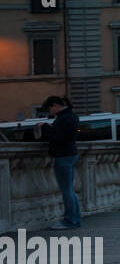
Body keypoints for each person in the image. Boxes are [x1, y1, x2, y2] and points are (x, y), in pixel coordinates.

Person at [37, 96, 80, 229]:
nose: (49, 111)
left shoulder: (63, 118)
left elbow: (57, 137)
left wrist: (44, 127)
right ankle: (75, 219)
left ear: (55, 105)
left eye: (49, 108)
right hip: (70, 154)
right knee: (70, 190)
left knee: (66, 190)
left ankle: (69, 220)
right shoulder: (71, 116)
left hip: (63, 156)